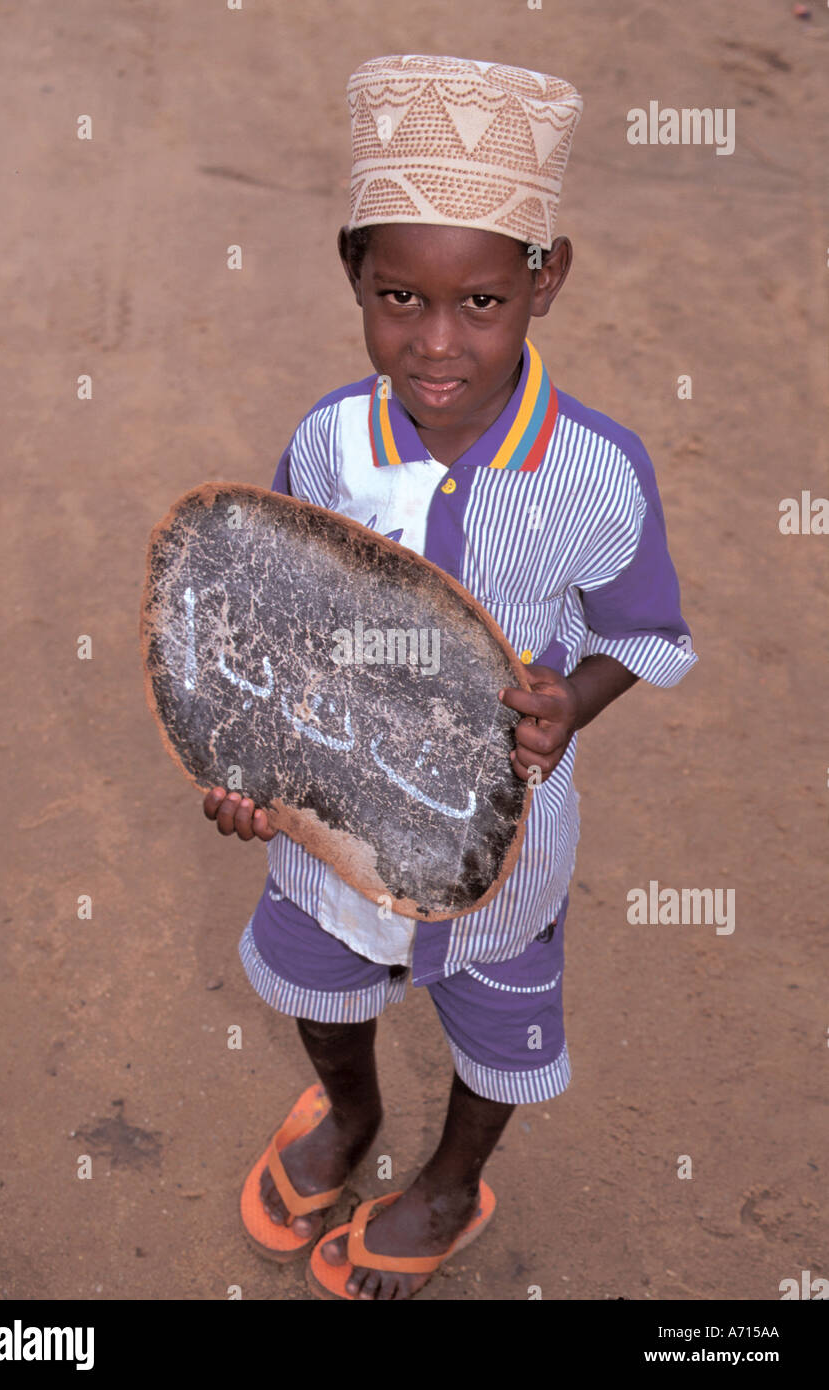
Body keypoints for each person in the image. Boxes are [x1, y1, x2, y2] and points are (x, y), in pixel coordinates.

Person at [203, 55, 697, 1300]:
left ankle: (448, 1178)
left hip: (502, 840)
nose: (435, 344)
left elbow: (639, 632)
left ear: (547, 278)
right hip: (334, 816)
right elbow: (278, 623)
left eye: (479, 302)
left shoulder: (595, 471)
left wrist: (565, 704)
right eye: (396, 297)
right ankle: (349, 1112)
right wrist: (249, 767)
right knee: (325, 981)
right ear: (352, 278)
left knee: (494, 1028)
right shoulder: (325, 442)